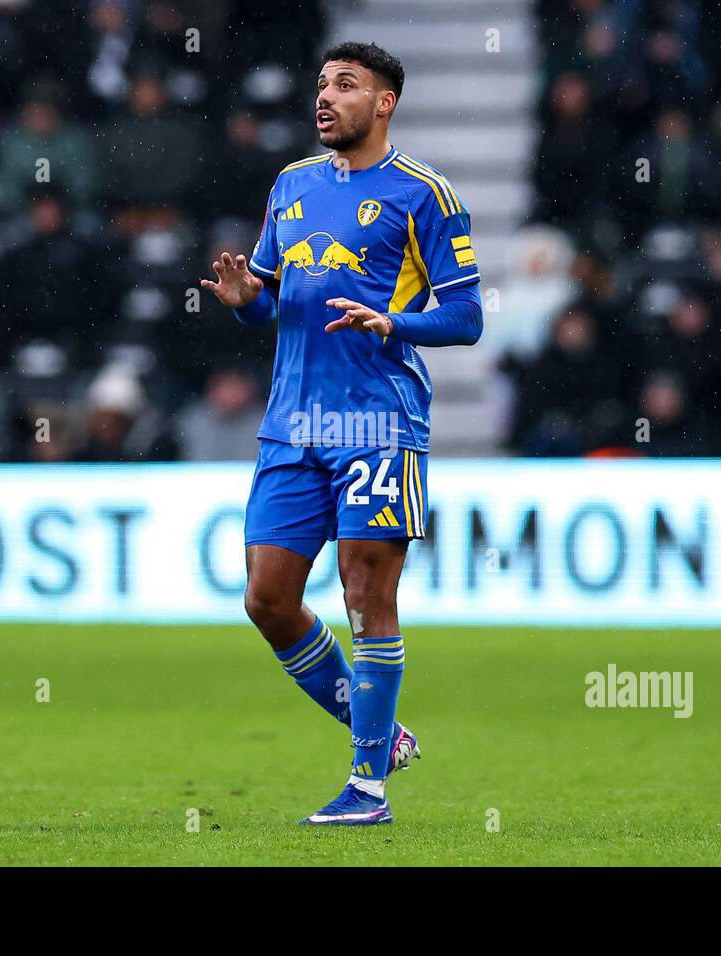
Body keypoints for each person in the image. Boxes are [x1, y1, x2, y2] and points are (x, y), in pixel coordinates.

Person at [201, 42, 483, 826]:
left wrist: (394, 320)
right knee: (267, 599)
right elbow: (275, 302)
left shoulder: (426, 194)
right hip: (292, 423)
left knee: (366, 595)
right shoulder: (290, 186)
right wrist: (245, 301)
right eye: (321, 83)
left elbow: (466, 317)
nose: (325, 97)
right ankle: (381, 735)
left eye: (346, 86)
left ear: (384, 102)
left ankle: (366, 788)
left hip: (378, 421)